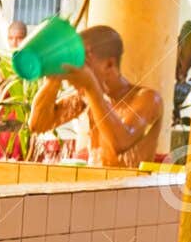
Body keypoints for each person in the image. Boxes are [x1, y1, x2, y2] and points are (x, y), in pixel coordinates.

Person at [28, 24, 163, 168]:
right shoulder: (86, 99)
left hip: (131, 189)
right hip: (96, 186)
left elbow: (120, 143)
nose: (79, 70)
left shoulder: (148, 99)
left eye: (84, 63)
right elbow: (38, 125)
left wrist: (91, 87)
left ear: (110, 64)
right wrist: (54, 78)